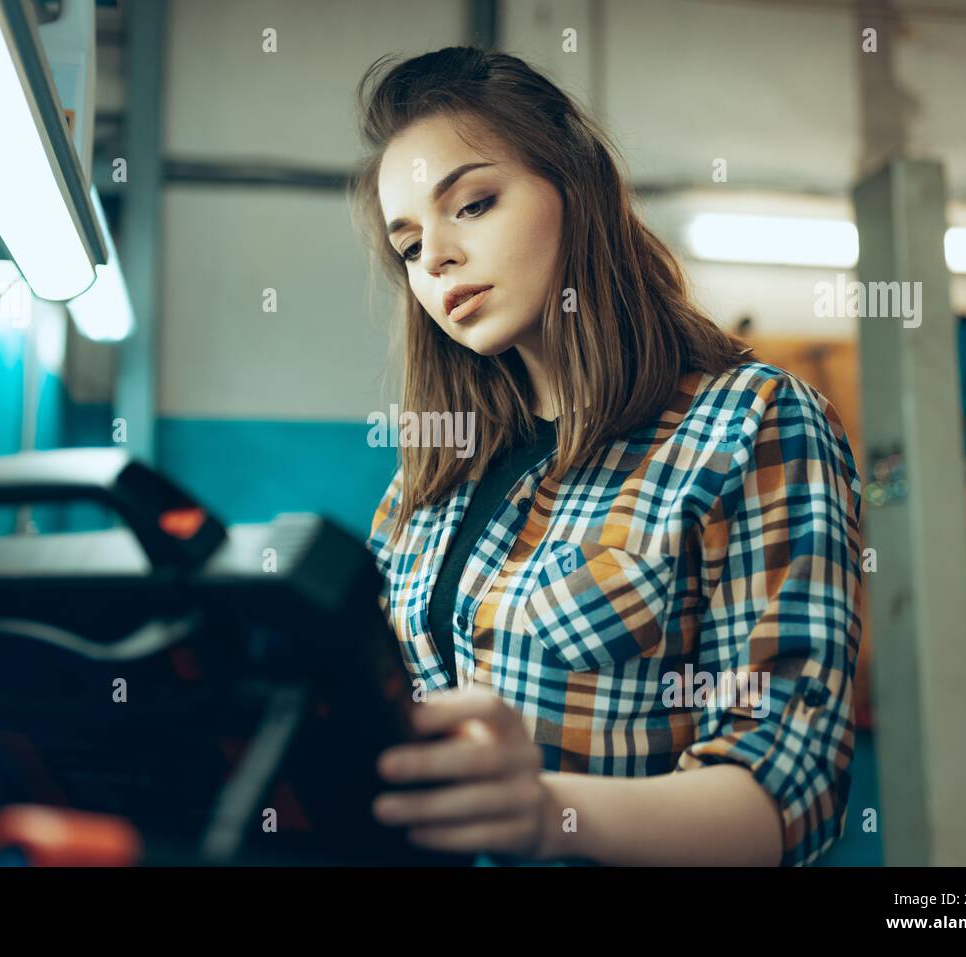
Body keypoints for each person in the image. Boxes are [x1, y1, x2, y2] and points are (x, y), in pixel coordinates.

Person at [352, 47, 862, 866]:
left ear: (576, 189)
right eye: (408, 246)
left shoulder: (750, 423)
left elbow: (789, 789)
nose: (436, 256)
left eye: (473, 204)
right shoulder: (434, 474)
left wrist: (549, 812)